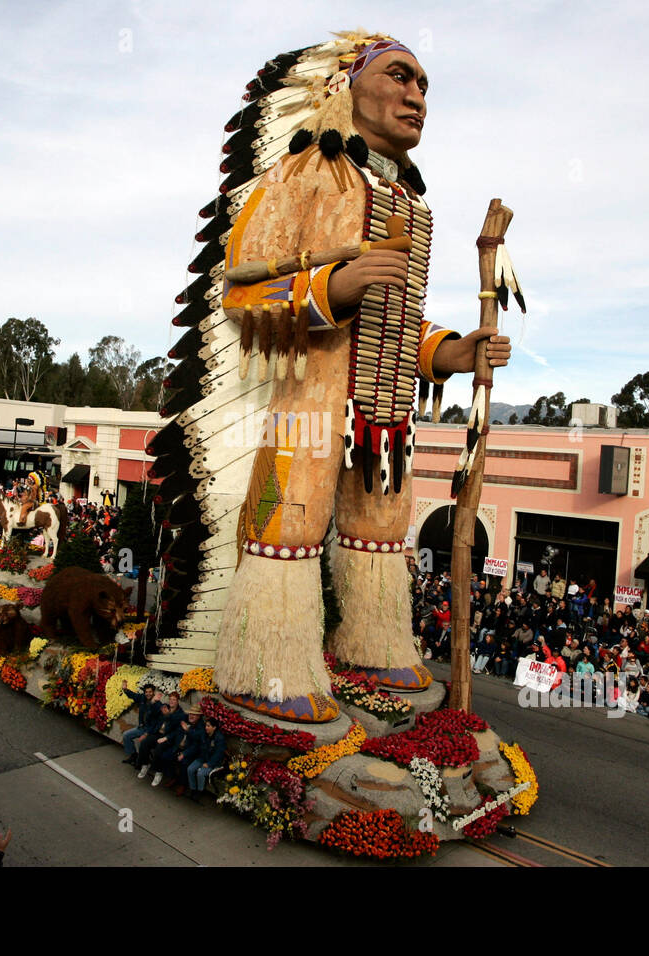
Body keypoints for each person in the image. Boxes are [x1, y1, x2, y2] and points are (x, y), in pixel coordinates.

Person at [150, 32, 512, 723]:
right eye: (402, 77)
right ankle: (266, 668)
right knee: (288, 524)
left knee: (381, 530)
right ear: (345, 86)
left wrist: (452, 353)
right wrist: (330, 287)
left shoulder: (411, 203)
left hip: (385, 415)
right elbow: (242, 290)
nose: (417, 97)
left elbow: (399, 322)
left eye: (425, 87)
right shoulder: (306, 173)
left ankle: (372, 643)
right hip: (309, 405)